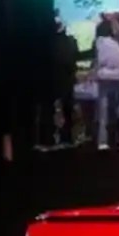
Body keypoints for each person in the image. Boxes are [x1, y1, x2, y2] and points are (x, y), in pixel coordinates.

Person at [38, 16, 78, 149]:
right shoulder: (71, 42)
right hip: (67, 80)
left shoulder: (48, 42)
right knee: (67, 110)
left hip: (52, 80)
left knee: (49, 110)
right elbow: (73, 59)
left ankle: (48, 138)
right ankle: (67, 137)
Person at [92, 19, 119, 151]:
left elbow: (98, 61)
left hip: (104, 77)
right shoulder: (117, 43)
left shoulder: (99, 42)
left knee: (103, 109)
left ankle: (102, 142)